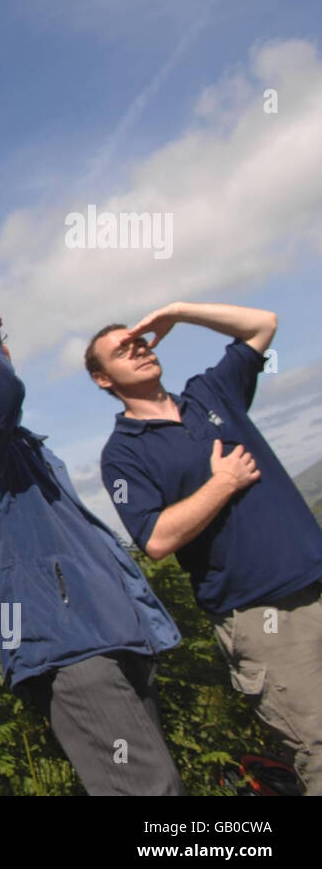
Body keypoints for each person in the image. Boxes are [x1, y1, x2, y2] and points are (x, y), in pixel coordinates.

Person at [0, 303, 185, 795]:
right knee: (151, 793)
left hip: (104, 636)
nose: (2, 351)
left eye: (1, 342)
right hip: (68, 646)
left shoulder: (12, 444)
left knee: (155, 784)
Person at [87, 301, 322, 794]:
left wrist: (177, 311)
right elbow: (154, 539)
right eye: (121, 351)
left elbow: (264, 324)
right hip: (263, 616)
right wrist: (222, 484)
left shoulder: (210, 391)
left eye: (139, 341)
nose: (138, 350)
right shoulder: (122, 455)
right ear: (103, 380)